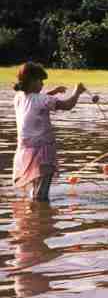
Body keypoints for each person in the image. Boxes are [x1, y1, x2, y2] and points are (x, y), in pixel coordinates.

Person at [12, 62, 87, 202]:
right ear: (32, 81)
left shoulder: (19, 97)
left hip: (25, 149)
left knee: (35, 186)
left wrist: (53, 92)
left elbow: (36, 100)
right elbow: (67, 105)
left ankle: (33, 210)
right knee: (42, 191)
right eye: (40, 81)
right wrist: (77, 92)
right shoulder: (42, 99)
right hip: (43, 149)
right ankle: (41, 213)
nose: (42, 84)